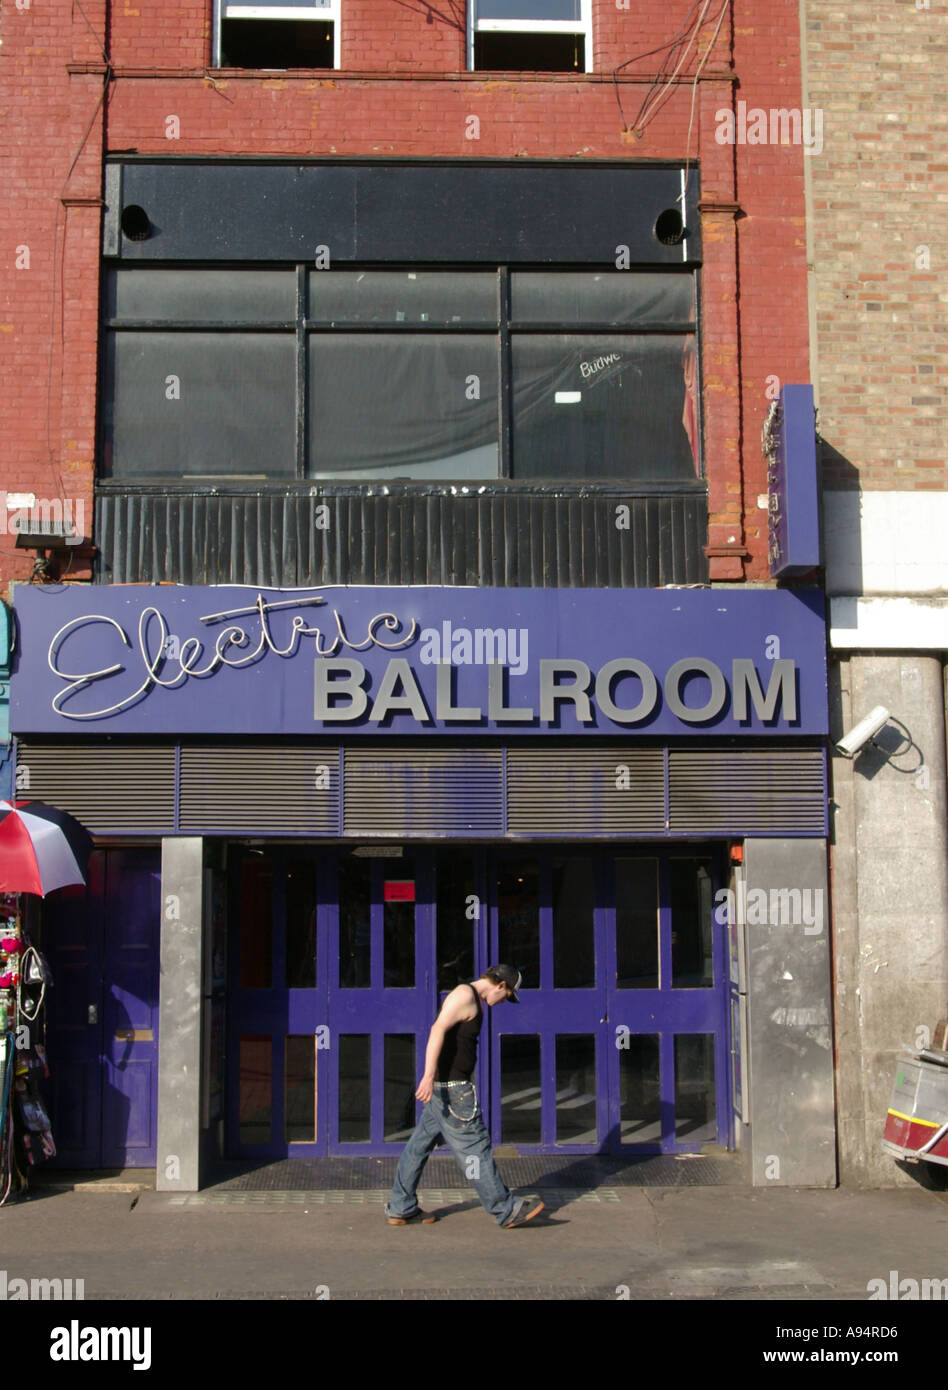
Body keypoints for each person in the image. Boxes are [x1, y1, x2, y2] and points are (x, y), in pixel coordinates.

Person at [385, 964, 544, 1230]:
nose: (503, 1001)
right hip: (454, 1091)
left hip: (443, 1091)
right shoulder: (465, 996)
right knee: (475, 1148)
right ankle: (505, 1209)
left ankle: (401, 1206)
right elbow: (437, 1029)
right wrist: (428, 1075)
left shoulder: (471, 997)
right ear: (500, 985)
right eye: (506, 996)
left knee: (418, 1147)